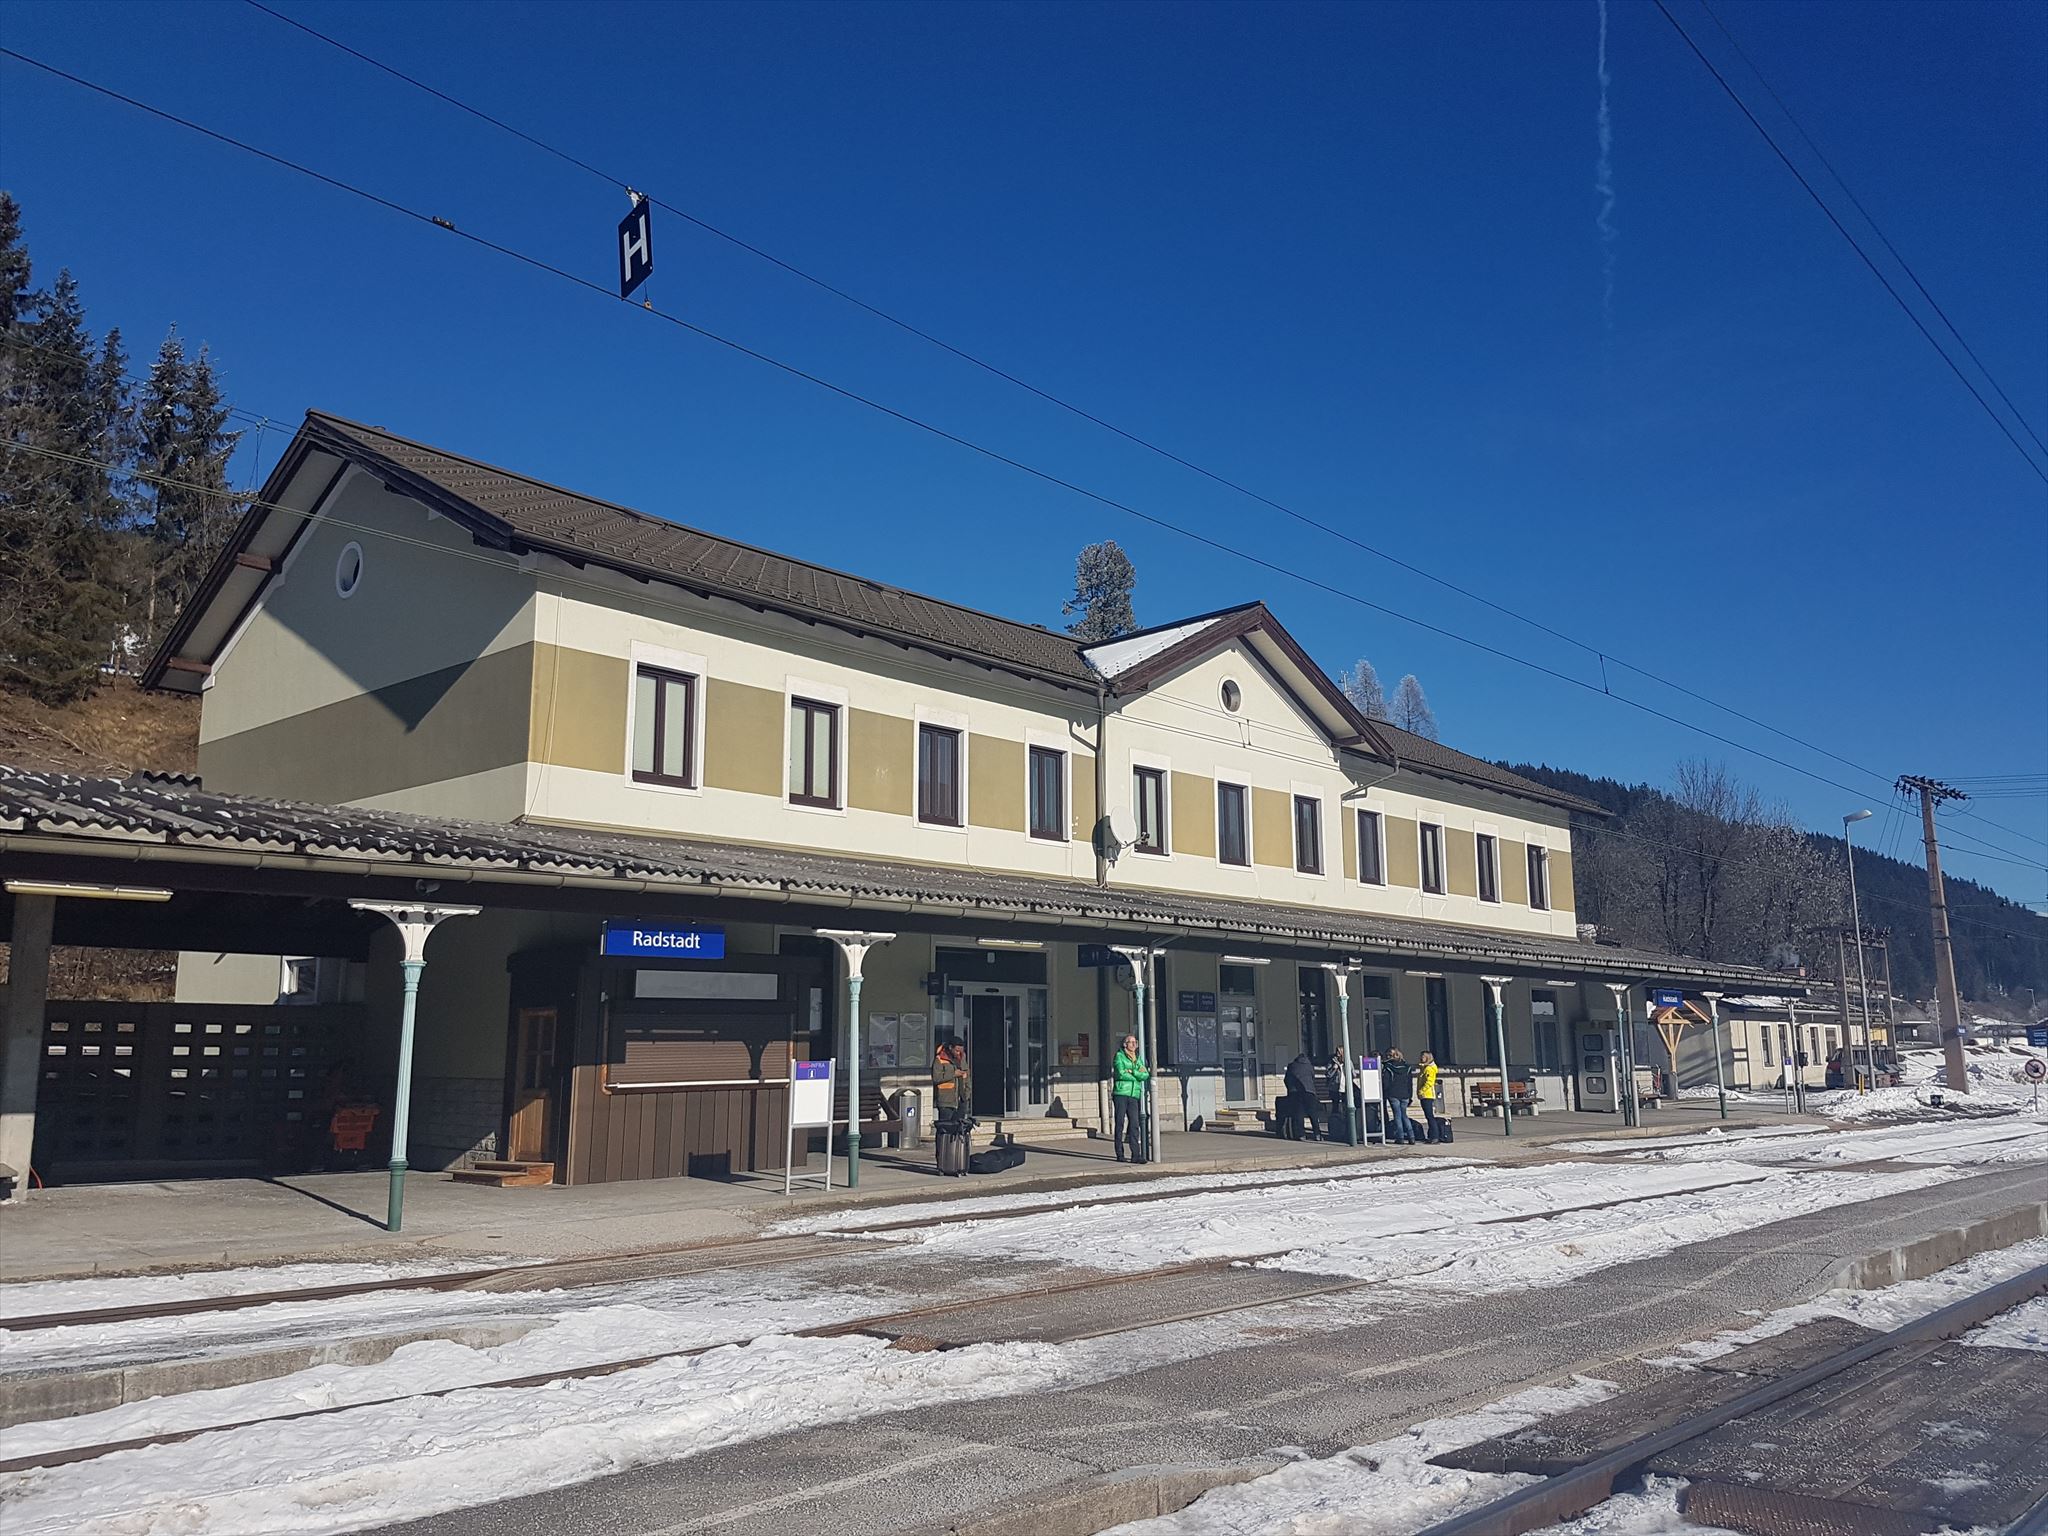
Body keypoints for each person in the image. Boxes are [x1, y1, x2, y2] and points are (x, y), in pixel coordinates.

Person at [1111, 1033, 1150, 1162]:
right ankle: (1119, 1153)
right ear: (1125, 1044)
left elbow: (1145, 1075)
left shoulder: (1138, 1058)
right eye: (1131, 1042)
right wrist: (1137, 1075)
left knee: (1134, 1124)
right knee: (1120, 1123)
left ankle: (1135, 1155)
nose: (1134, 1045)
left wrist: (1132, 1071)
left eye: (1135, 1042)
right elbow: (1121, 1074)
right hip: (1121, 1093)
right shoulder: (1119, 1056)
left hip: (1134, 1094)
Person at [1282, 1050, 1321, 1141]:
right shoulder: (1309, 1066)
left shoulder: (1292, 1066)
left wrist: (1290, 1089)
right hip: (1309, 1092)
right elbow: (1312, 1077)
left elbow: (1287, 1079)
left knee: (1299, 1114)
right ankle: (1317, 1134)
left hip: (1295, 1093)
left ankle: (1301, 1134)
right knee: (1313, 1115)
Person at [1381, 1049, 1417, 1145]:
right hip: (1405, 1093)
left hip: (1393, 1093)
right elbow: (1410, 1083)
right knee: (1404, 1115)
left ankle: (1400, 1137)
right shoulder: (1407, 1067)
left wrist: (1385, 1092)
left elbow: (1386, 1082)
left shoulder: (1388, 1067)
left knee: (1397, 1115)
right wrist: (1410, 1095)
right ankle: (1411, 1136)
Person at [933, 1039, 971, 1124]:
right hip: (946, 1101)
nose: (958, 1053)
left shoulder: (962, 1058)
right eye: (957, 1050)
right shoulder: (940, 1059)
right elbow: (936, 1078)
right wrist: (953, 1074)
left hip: (961, 1099)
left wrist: (967, 1093)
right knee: (945, 1128)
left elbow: (967, 1076)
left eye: (961, 1051)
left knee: (958, 1127)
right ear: (950, 1048)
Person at [1417, 1051, 1443, 1142]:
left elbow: (1429, 1082)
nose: (1421, 1058)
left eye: (1423, 1057)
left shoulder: (1429, 1069)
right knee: (1428, 1116)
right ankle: (1432, 1135)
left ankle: (1435, 1136)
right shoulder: (1424, 1068)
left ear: (1428, 1057)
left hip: (1427, 1095)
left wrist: (1421, 1091)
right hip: (1424, 1095)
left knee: (1430, 1116)